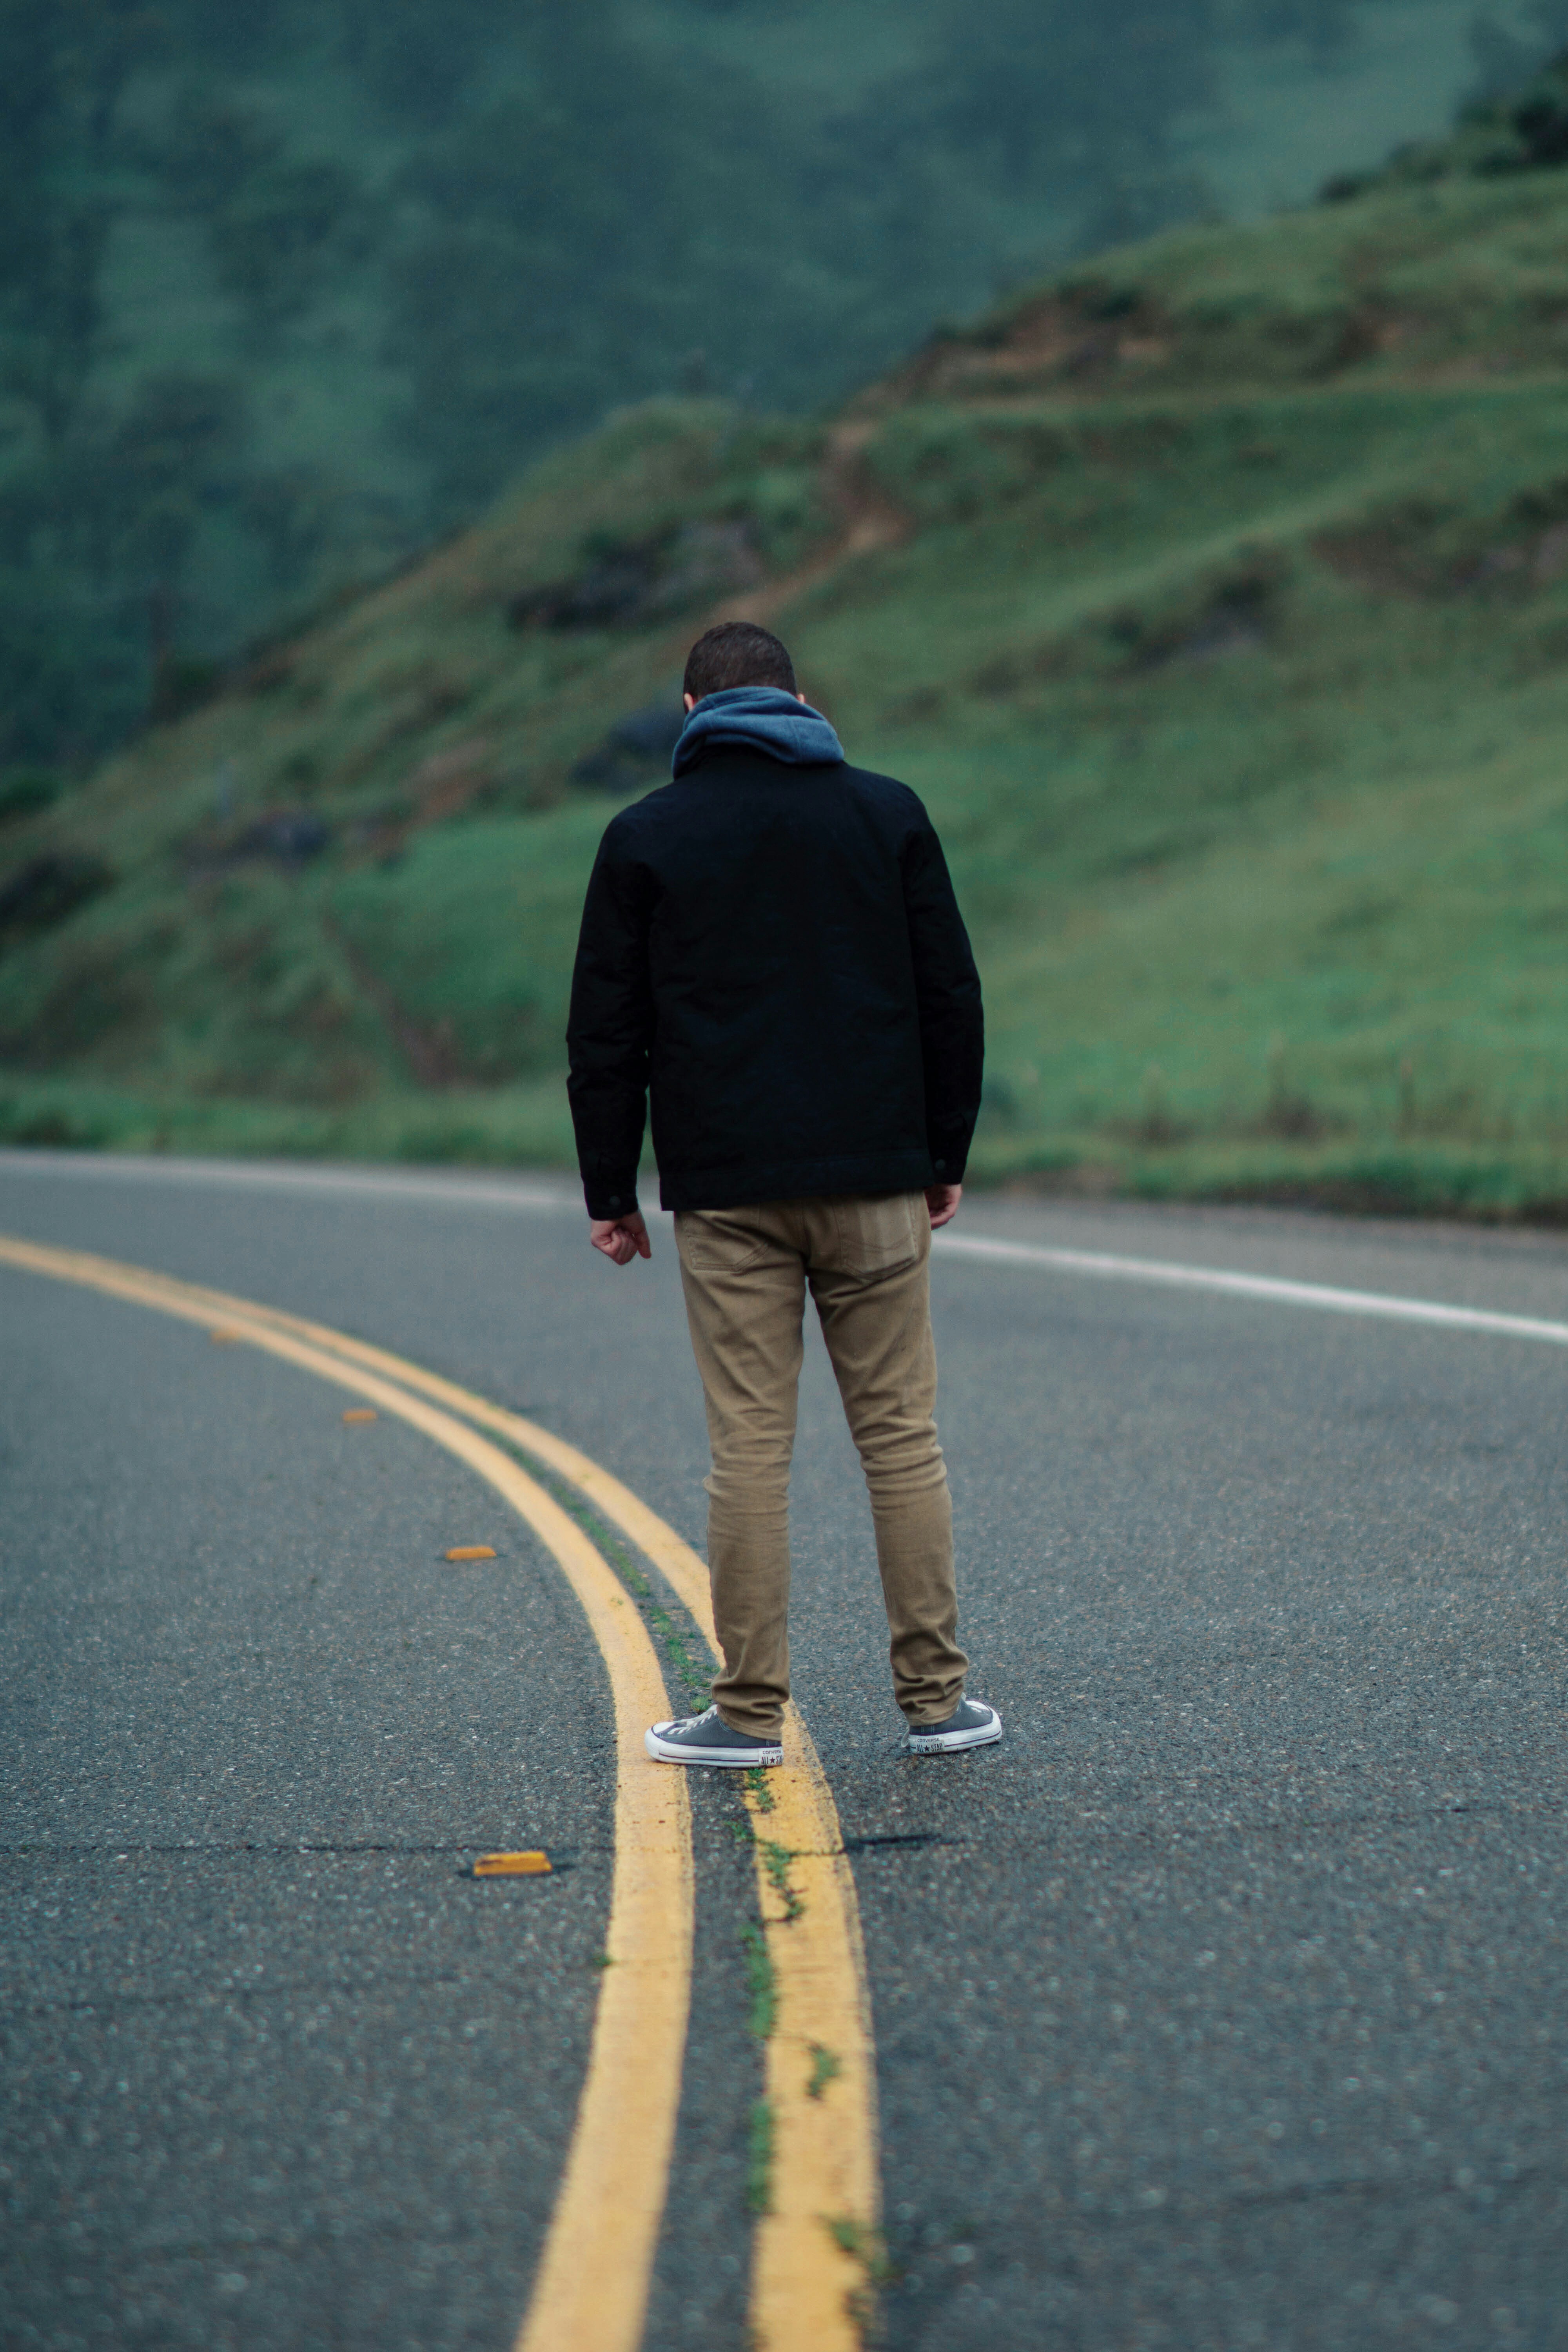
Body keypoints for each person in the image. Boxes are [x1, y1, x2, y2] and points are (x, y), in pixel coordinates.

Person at [565, 619, 1000, 1766]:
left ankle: (749, 1714)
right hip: (876, 1182)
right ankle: (937, 1705)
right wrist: (941, 1153)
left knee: (750, 1450)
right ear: (803, 701)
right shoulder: (886, 812)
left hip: (729, 1190)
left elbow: (606, 1032)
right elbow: (951, 996)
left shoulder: (646, 836)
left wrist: (611, 1184)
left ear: (692, 712)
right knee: (901, 1440)